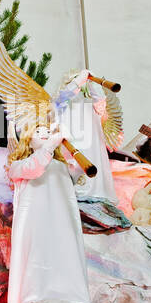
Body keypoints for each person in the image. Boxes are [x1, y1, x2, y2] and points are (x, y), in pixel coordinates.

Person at [5, 121, 91, 303]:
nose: (44, 134)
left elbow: (82, 179)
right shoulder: (18, 165)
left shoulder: (63, 166)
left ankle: (71, 297)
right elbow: (34, 168)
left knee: (65, 252)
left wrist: (69, 142)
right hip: (36, 222)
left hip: (62, 221)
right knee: (37, 256)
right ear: (27, 141)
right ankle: (33, 299)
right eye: (38, 131)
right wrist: (51, 145)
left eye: (48, 131)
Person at [52, 69, 118, 203]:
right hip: (74, 146)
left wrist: (91, 81)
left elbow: (100, 98)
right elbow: (59, 101)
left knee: (93, 172)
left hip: (92, 147)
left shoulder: (93, 104)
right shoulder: (62, 102)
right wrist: (77, 81)